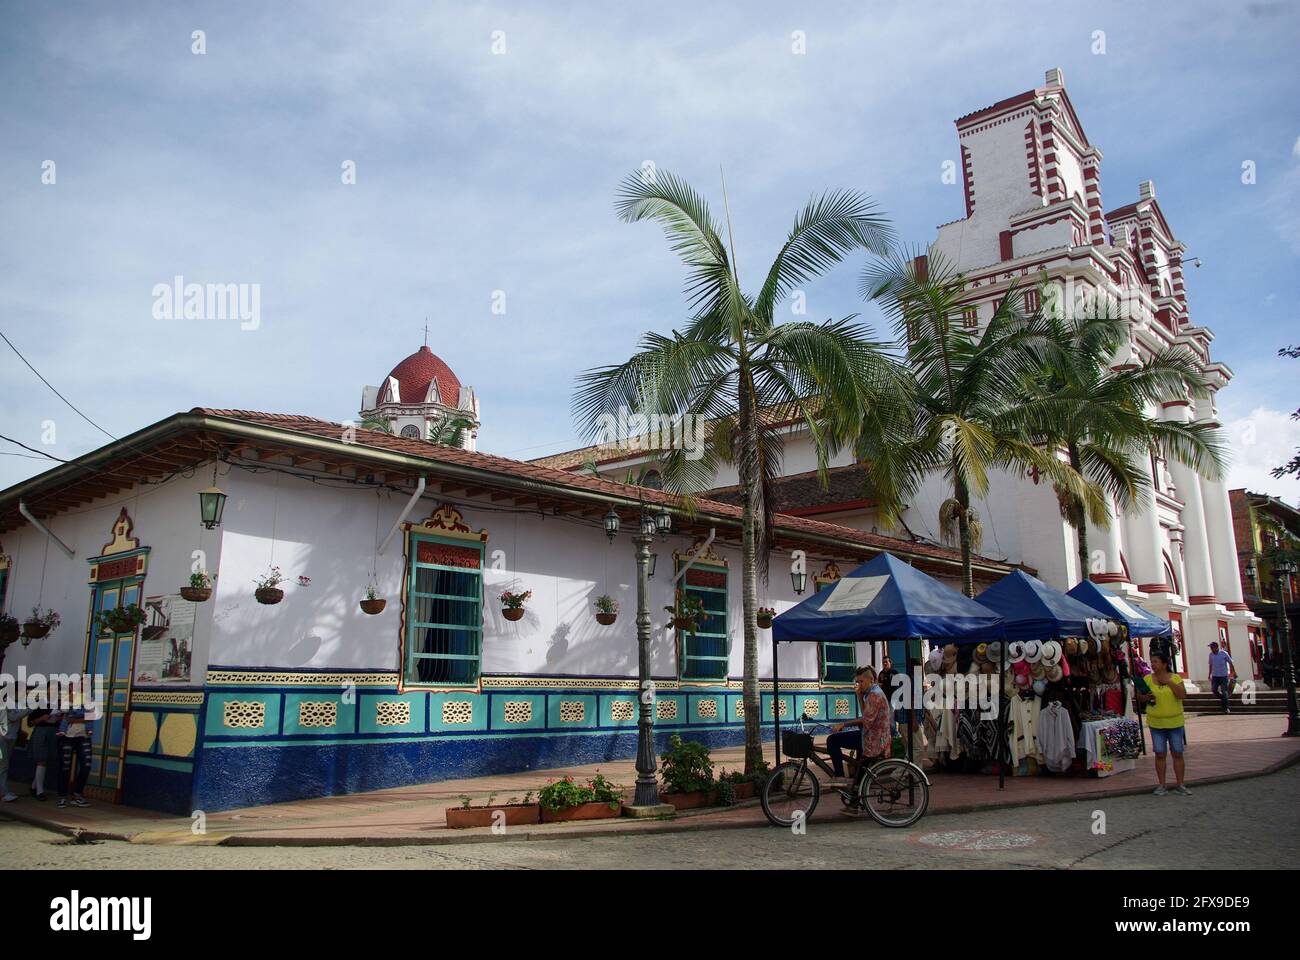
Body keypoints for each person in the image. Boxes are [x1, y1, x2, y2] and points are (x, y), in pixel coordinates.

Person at [1136, 651, 1189, 796]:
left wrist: (1169, 682)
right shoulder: (1147, 679)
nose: (1153, 664)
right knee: (1160, 753)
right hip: (1156, 723)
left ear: (1165, 664)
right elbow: (1139, 697)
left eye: (1156, 662)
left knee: (1177, 752)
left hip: (1175, 722)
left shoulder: (1176, 678)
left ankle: (1180, 784)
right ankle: (1162, 784)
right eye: (1152, 662)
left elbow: (1182, 695)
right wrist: (1145, 697)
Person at [827, 665, 893, 781]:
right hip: (869, 735)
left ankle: (839, 776)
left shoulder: (874, 695)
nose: (859, 685)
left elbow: (865, 720)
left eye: (861, 681)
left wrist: (843, 724)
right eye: (857, 682)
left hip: (873, 739)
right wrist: (859, 697)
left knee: (832, 740)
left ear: (871, 680)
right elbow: (865, 715)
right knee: (858, 783)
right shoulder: (871, 692)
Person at [56, 707, 93, 809]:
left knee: (86, 765)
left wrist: (74, 719)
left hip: (84, 736)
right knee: (65, 767)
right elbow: (63, 713)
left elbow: (93, 715)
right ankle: (62, 796)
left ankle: (77, 794)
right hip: (66, 736)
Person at [1207, 641, 1235, 714]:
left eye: (1212, 647)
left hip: (1223, 676)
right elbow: (1210, 665)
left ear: (1216, 647)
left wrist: (1233, 672)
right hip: (1215, 676)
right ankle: (1224, 699)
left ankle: (1226, 708)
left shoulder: (1224, 653)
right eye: (1211, 648)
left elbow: (1230, 662)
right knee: (1214, 690)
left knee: (1224, 691)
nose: (1211, 649)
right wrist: (1209, 674)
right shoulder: (1211, 655)